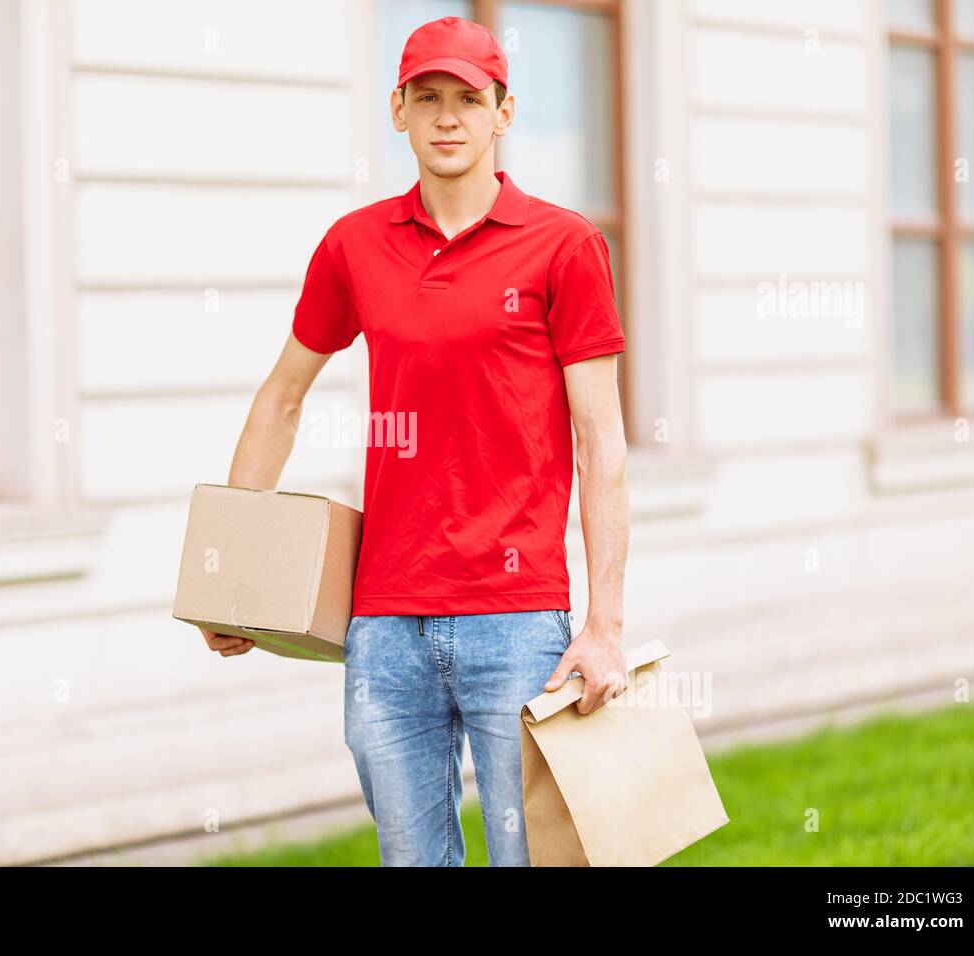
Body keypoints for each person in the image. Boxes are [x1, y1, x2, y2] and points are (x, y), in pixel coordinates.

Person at [196, 15, 630, 866]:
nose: (447, 117)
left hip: (518, 621)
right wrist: (230, 581)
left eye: (468, 98)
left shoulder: (564, 246)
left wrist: (605, 623)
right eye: (427, 97)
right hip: (385, 625)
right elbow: (283, 398)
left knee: (534, 860)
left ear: (504, 112)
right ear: (397, 109)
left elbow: (601, 440)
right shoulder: (354, 246)